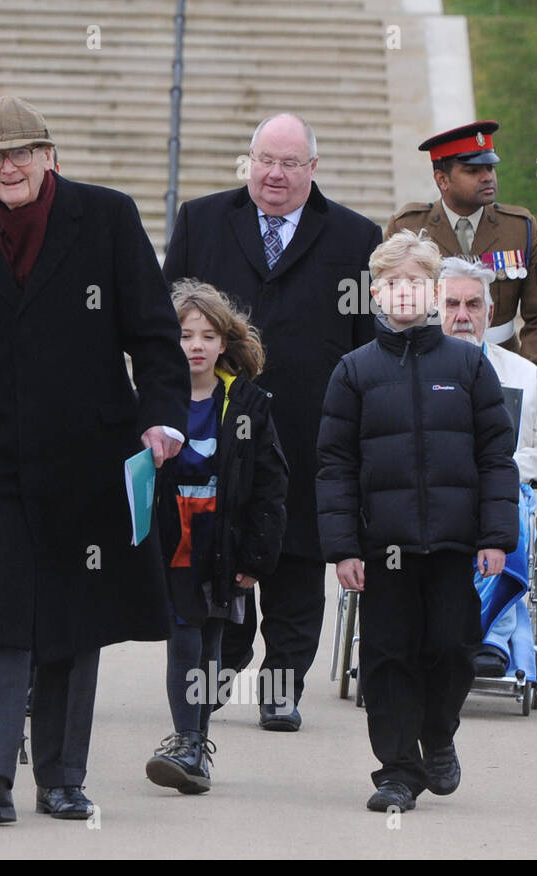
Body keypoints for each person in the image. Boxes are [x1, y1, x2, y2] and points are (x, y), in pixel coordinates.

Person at [0, 95, 190, 824]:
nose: (8, 167)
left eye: (21, 152)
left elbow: (154, 335)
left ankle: (62, 777)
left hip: (88, 455)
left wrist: (160, 417)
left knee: (69, 615)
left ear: (48, 154)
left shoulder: (108, 217)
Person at [162, 112, 382, 732]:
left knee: (294, 559)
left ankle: (283, 683)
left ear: (313, 169)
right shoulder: (201, 222)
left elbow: (367, 344)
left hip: (310, 429)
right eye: (265, 160)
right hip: (217, 427)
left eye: (290, 164)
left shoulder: (353, 237)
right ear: (249, 161)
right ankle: (219, 670)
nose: (275, 175)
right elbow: (164, 323)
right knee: (219, 550)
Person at [317, 230, 518, 813]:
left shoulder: (468, 366)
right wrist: (343, 547)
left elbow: (494, 456)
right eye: (393, 283)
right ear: (376, 293)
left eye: (416, 282)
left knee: (452, 650)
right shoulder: (354, 371)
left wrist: (497, 537)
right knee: (387, 657)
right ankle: (397, 771)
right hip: (384, 550)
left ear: (433, 291)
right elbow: (335, 465)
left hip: (456, 545)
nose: (405, 292)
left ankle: (440, 735)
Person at [148, 280, 287, 794]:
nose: (196, 345)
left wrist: (256, 555)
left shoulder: (248, 403)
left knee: (210, 643)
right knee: (184, 637)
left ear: (223, 343)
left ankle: (194, 747)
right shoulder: (154, 397)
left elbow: (272, 484)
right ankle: (187, 739)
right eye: (185, 335)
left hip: (223, 542)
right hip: (173, 538)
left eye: (207, 335)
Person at [439, 255, 537, 678]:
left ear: (490, 313)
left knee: (506, 505)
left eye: (473, 305)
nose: (462, 316)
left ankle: (490, 635)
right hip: (432, 493)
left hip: (501, 495)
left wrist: (501, 461)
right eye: (451, 305)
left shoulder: (524, 376)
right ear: (433, 310)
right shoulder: (410, 369)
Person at [388, 121, 537, 375]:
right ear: (442, 179)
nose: (487, 176)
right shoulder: (409, 227)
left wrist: (526, 375)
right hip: (426, 368)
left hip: (501, 367)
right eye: (473, 170)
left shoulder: (520, 229)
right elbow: (388, 307)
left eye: (490, 167)